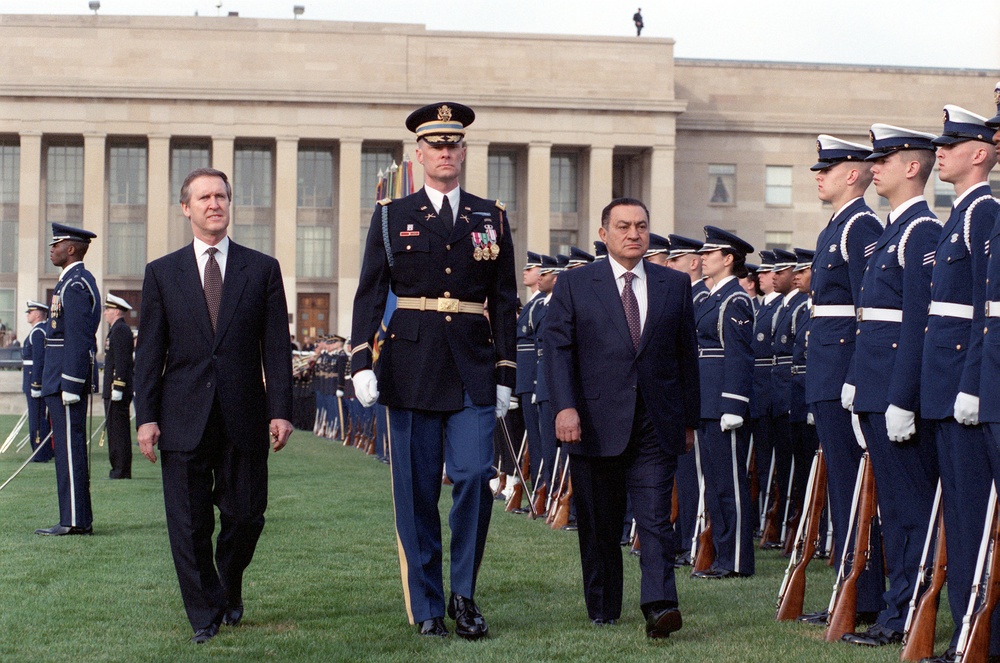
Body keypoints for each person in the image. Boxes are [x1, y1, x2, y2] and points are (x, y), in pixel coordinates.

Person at [350, 102, 517, 639]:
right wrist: (360, 361)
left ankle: (463, 594)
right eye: (436, 145)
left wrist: (505, 373)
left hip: (471, 365)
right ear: (418, 154)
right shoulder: (390, 215)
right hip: (412, 365)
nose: (446, 152)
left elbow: (505, 299)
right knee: (418, 490)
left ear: (464, 152)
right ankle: (426, 605)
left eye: (454, 144)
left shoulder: (490, 216)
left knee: (473, 476)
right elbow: (371, 291)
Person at [133, 167, 294, 644]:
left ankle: (228, 580)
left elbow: (277, 348)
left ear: (229, 204)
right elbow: (150, 354)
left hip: (244, 414)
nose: (213, 204)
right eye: (203, 197)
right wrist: (146, 418)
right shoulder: (162, 273)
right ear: (186, 208)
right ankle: (204, 613)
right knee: (188, 524)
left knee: (246, 516)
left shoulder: (262, 268)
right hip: (182, 417)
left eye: (221, 196)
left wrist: (281, 409)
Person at [546, 197, 699, 637]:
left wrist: (689, 419)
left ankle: (660, 606)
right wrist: (565, 406)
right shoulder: (576, 285)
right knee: (599, 522)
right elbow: (557, 351)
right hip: (593, 423)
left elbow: (686, 355)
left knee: (654, 518)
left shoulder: (674, 284)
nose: (634, 234)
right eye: (623, 226)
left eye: (641, 226)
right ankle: (603, 606)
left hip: (656, 423)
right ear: (603, 234)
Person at [841, 124, 940, 647]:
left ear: (912, 167)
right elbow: (870, 322)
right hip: (876, 391)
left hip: (896, 395)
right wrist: (859, 382)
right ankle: (895, 611)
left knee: (909, 512)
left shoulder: (921, 231)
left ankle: (906, 614)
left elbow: (917, 322)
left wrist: (903, 398)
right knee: (893, 510)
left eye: (886, 158)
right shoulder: (891, 230)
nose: (873, 167)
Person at [921, 105, 999, 662]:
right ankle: (967, 629)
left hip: (969, 385)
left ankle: (977, 632)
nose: (938, 154)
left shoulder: (981, 212)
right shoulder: (962, 213)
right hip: (952, 385)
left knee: (974, 515)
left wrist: (970, 382)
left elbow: (981, 312)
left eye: (952, 144)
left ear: (980, 153)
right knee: (962, 516)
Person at [800, 134, 886, 625]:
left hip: (843, 372)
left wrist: (855, 376)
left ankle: (865, 595)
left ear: (853, 173)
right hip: (826, 371)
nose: (818, 176)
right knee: (842, 488)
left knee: (857, 487)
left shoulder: (860, 225)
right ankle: (848, 589)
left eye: (826, 169)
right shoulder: (837, 225)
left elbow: (866, 311)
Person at [692, 226, 756, 579]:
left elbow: (739, 356)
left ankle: (736, 560)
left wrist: (734, 404)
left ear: (728, 259)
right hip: (705, 400)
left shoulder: (735, 300)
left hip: (721, 402)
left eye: (709, 254)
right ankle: (721, 555)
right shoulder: (708, 297)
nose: (702, 259)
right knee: (715, 482)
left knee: (730, 483)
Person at [35, 223, 101, 536]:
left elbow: (78, 335)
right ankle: (74, 517)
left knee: (70, 451)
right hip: (57, 379)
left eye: (56, 244)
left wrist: (72, 383)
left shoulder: (75, 284)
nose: (51, 249)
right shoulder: (70, 282)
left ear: (70, 248)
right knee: (65, 450)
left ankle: (74, 520)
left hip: (65, 381)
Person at [102, 293, 134, 479]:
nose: (105, 313)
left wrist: (118, 387)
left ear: (116, 311)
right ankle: (117, 467)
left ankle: (121, 469)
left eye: (107, 310)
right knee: (114, 431)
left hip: (117, 389)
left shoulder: (121, 330)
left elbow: (122, 362)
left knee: (119, 431)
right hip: (112, 388)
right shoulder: (116, 329)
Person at [21, 301, 53, 463]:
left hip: (35, 381)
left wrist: (36, 384)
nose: (28, 314)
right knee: (38, 416)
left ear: (38, 314)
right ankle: (42, 450)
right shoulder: (38, 331)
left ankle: (40, 452)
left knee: (37, 417)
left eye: (30, 312)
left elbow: (39, 360)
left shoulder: (39, 332)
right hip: (32, 379)